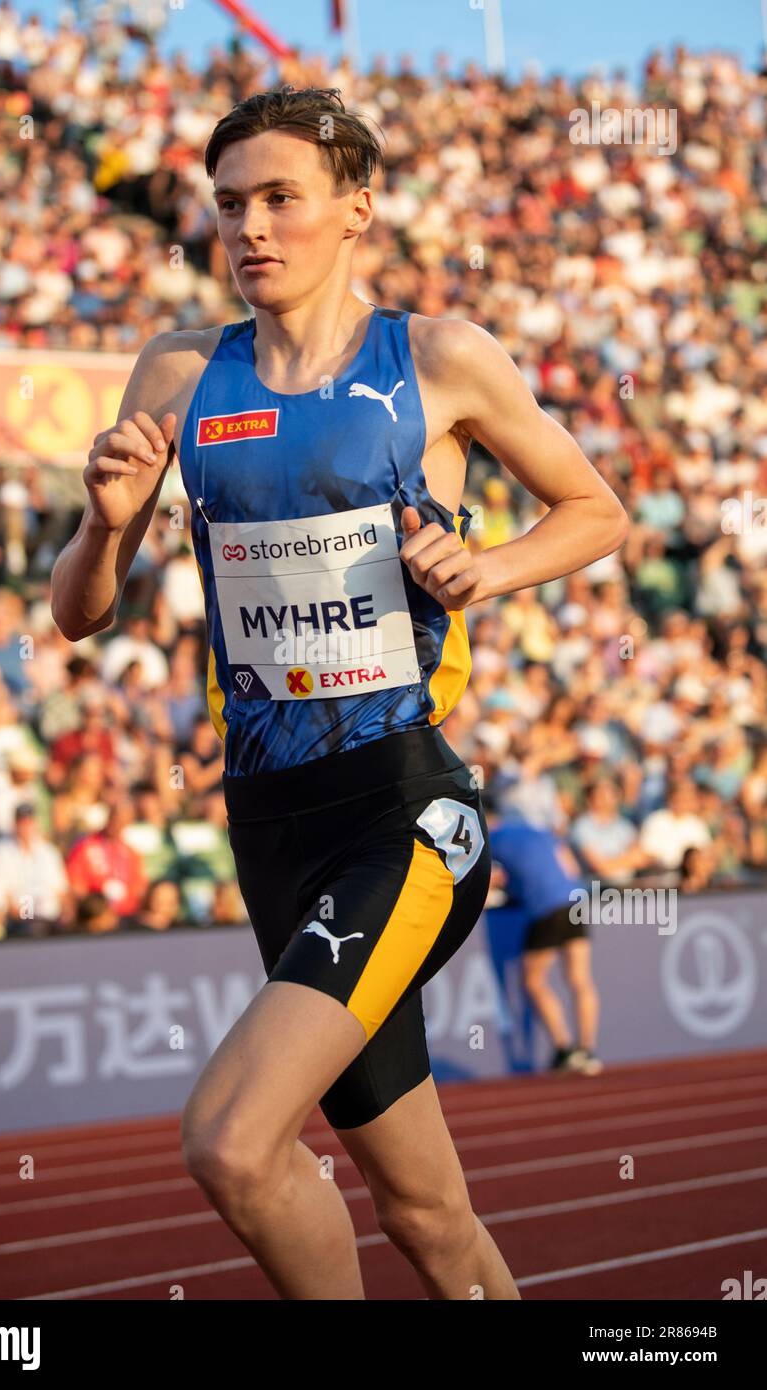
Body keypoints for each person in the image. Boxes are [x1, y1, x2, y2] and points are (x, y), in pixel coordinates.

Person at [51, 86, 628, 1300]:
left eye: (278, 199)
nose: (249, 227)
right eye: (226, 207)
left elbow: (593, 511)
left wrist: (486, 563)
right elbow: (79, 610)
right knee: (425, 1211)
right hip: (269, 819)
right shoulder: (173, 372)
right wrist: (106, 534)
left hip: (406, 811)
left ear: (354, 209)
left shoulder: (436, 357)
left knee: (232, 1139)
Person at [486, 803, 604, 1076]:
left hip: (546, 908)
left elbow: (491, 879)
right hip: (574, 899)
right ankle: (587, 1050)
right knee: (579, 978)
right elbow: (569, 865)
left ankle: (564, 1048)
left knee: (533, 981)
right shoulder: (533, 828)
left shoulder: (491, 840)